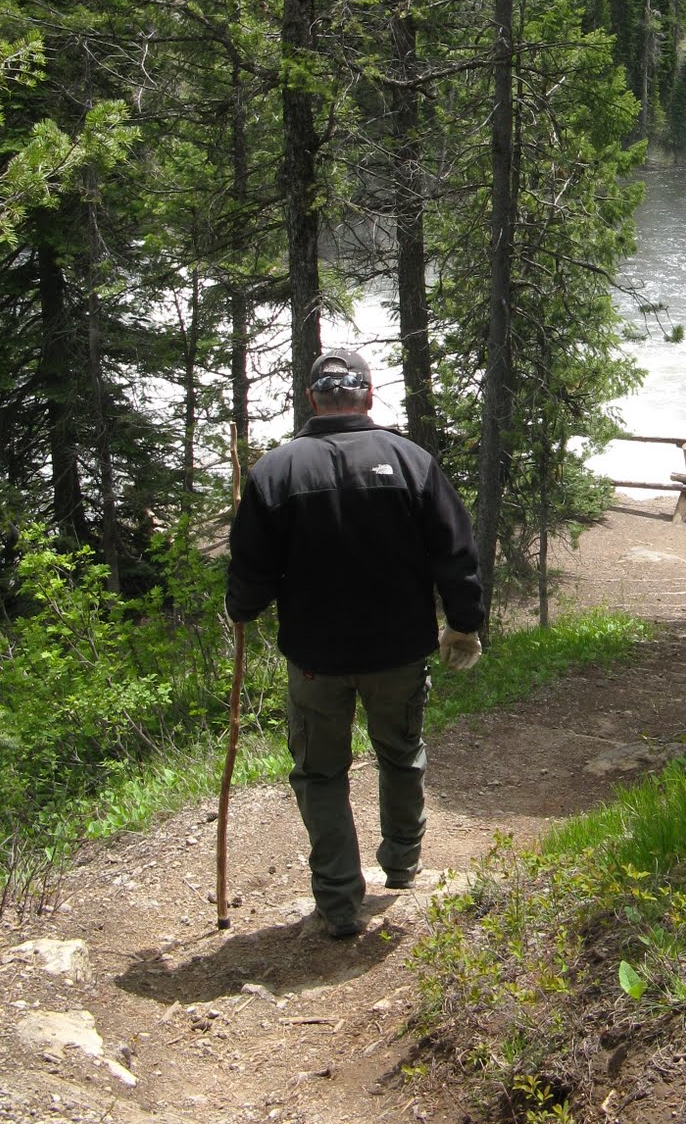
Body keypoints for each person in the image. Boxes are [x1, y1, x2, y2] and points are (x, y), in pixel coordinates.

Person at [226, 347, 486, 939]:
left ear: (314, 399)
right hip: (399, 651)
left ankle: (340, 902)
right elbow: (456, 552)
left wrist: (240, 608)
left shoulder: (275, 471)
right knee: (400, 754)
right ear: (367, 396)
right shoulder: (410, 461)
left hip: (317, 659)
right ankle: (402, 863)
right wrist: (463, 623)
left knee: (321, 774)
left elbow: (251, 570)